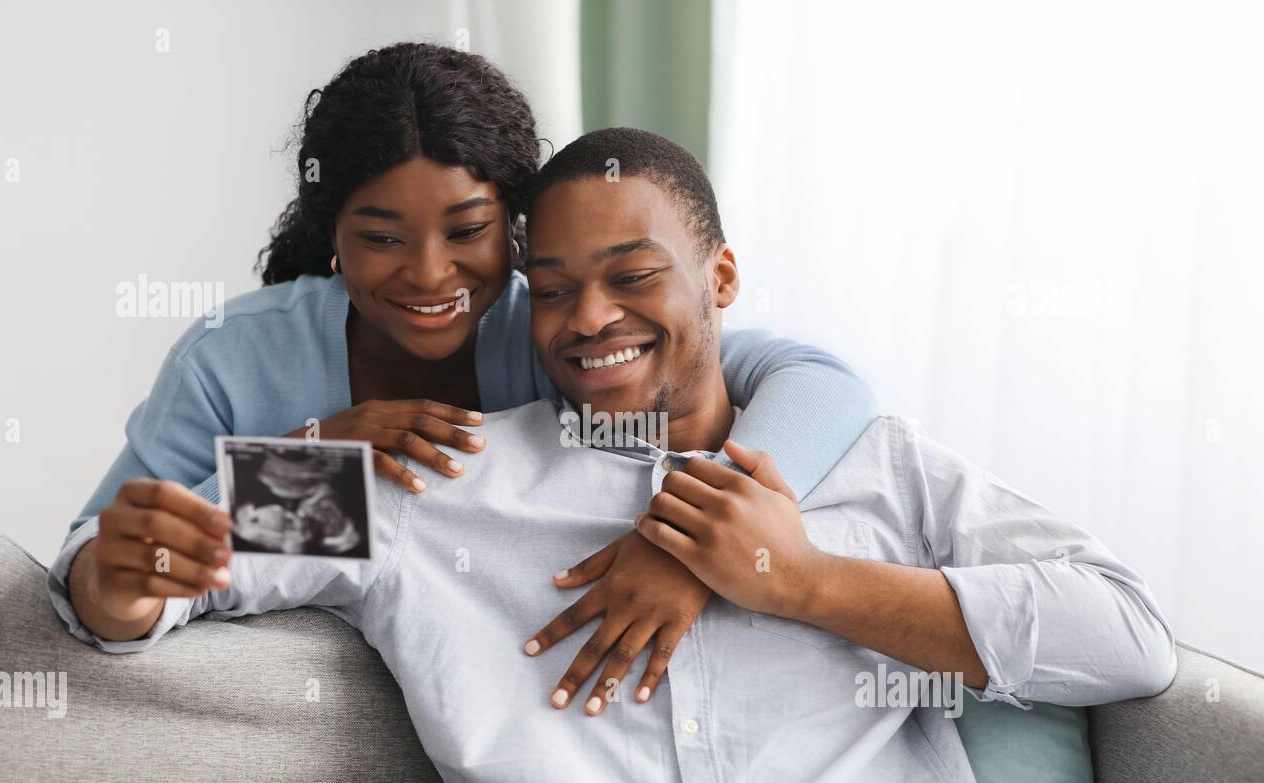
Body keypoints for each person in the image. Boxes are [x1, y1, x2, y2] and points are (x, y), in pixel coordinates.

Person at [50, 128, 1178, 783]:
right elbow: (159, 569)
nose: (588, 319)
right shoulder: (443, 474)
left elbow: (1132, 638)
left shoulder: (872, 462)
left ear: (719, 279)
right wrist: (121, 577)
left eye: (632, 276)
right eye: (550, 292)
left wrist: (808, 581)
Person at [55, 42, 877, 701]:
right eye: (380, 237)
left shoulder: (560, 328)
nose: (428, 274)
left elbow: (817, 380)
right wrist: (305, 456)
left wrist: (691, 546)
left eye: (468, 231)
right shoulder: (235, 355)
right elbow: (105, 573)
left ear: (516, 230)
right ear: (331, 232)